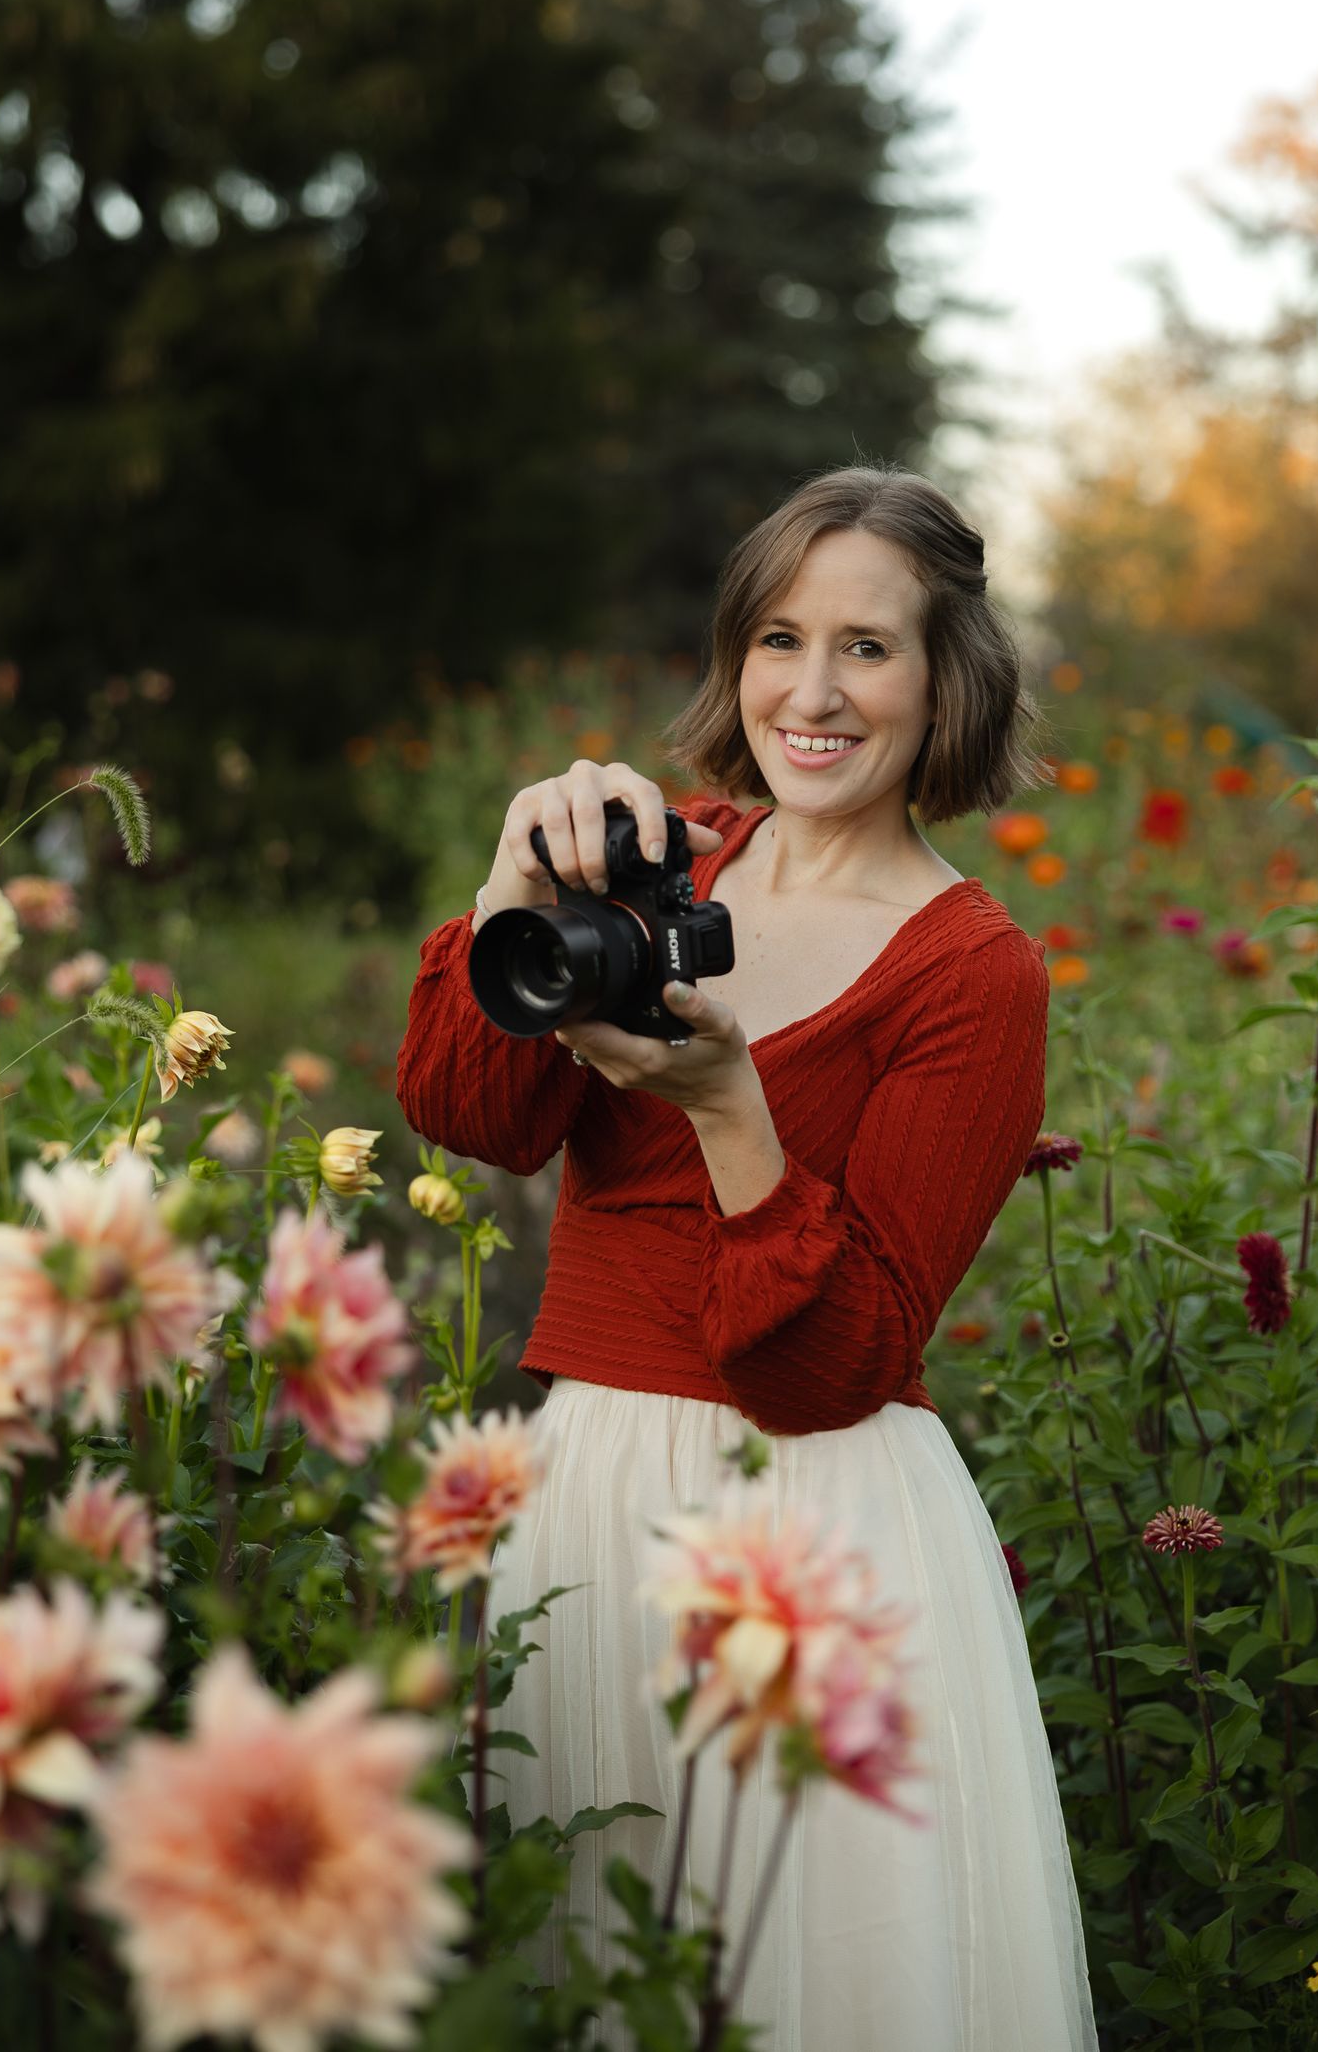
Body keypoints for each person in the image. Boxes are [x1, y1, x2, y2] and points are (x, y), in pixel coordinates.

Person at [395, 464, 1099, 2051]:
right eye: (780, 638)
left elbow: (836, 1363)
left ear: (948, 681)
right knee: (584, 1963)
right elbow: (470, 1111)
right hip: (585, 1491)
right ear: (735, 658)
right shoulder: (665, 864)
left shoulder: (974, 971)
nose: (813, 692)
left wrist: (730, 1109)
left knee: (810, 1982)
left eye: (868, 646)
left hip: (819, 1527)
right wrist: (517, 882)